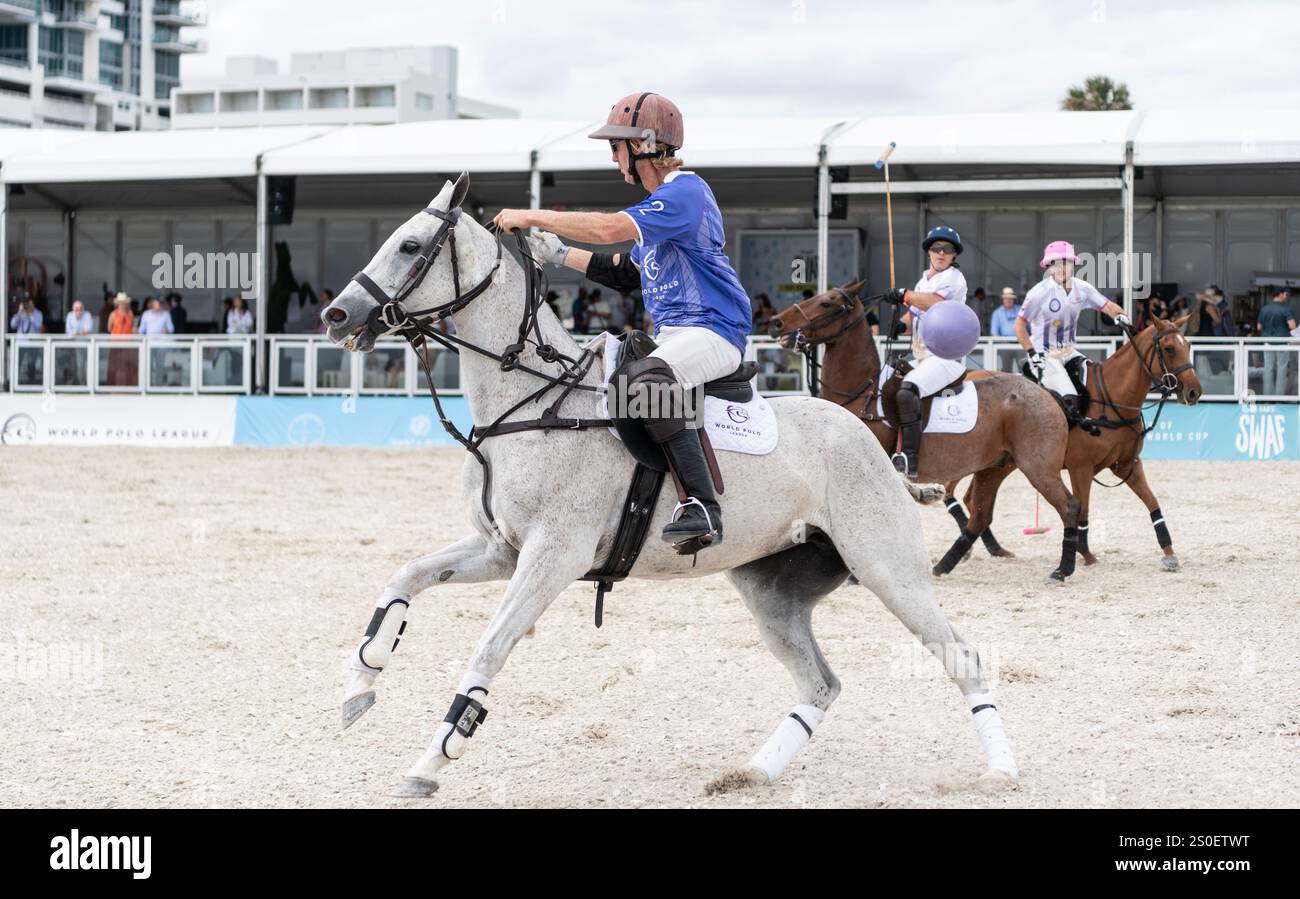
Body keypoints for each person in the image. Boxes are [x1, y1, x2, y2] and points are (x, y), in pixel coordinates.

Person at [495, 91, 750, 552]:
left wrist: (534, 216)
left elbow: (610, 230)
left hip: (714, 329)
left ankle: (701, 507)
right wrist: (557, 254)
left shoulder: (685, 191)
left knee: (646, 379)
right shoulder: (660, 211)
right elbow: (624, 273)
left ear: (644, 145)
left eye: (617, 147)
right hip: (675, 333)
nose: (613, 157)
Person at [880, 225, 970, 478]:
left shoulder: (954, 278)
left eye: (948, 249)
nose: (941, 253)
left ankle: (909, 459)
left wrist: (904, 295)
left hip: (945, 358)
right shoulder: (924, 279)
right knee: (884, 385)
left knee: (908, 389)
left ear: (954, 255)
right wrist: (902, 324)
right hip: (921, 357)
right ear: (928, 251)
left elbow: (935, 304)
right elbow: (915, 312)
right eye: (936, 248)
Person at [1014, 240, 1131, 422]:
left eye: (1066, 263)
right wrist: (1031, 352)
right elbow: (1019, 326)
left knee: (1096, 384)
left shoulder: (1083, 288)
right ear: (1049, 268)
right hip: (1045, 356)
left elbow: (1107, 306)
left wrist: (1120, 315)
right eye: (1055, 264)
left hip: (1069, 352)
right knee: (1069, 397)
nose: (1061, 269)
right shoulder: (1038, 293)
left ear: (1073, 265)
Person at [1257, 287, 1297, 395]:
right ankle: (1279, 397)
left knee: (1268, 368)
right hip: (1282, 342)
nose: (1287, 297)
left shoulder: (1264, 309)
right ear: (1280, 294)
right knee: (1282, 369)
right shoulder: (1285, 309)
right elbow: (1292, 326)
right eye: (1286, 295)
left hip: (1268, 342)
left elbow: (1259, 327)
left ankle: (1267, 396)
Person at [106, 292, 137, 386]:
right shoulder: (113, 314)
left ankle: (128, 386)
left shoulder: (130, 314)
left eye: (123, 302)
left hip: (128, 345)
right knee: (115, 366)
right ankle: (115, 386)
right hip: (116, 344)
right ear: (118, 303)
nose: (122, 304)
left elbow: (132, 327)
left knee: (128, 366)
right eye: (120, 302)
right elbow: (109, 328)